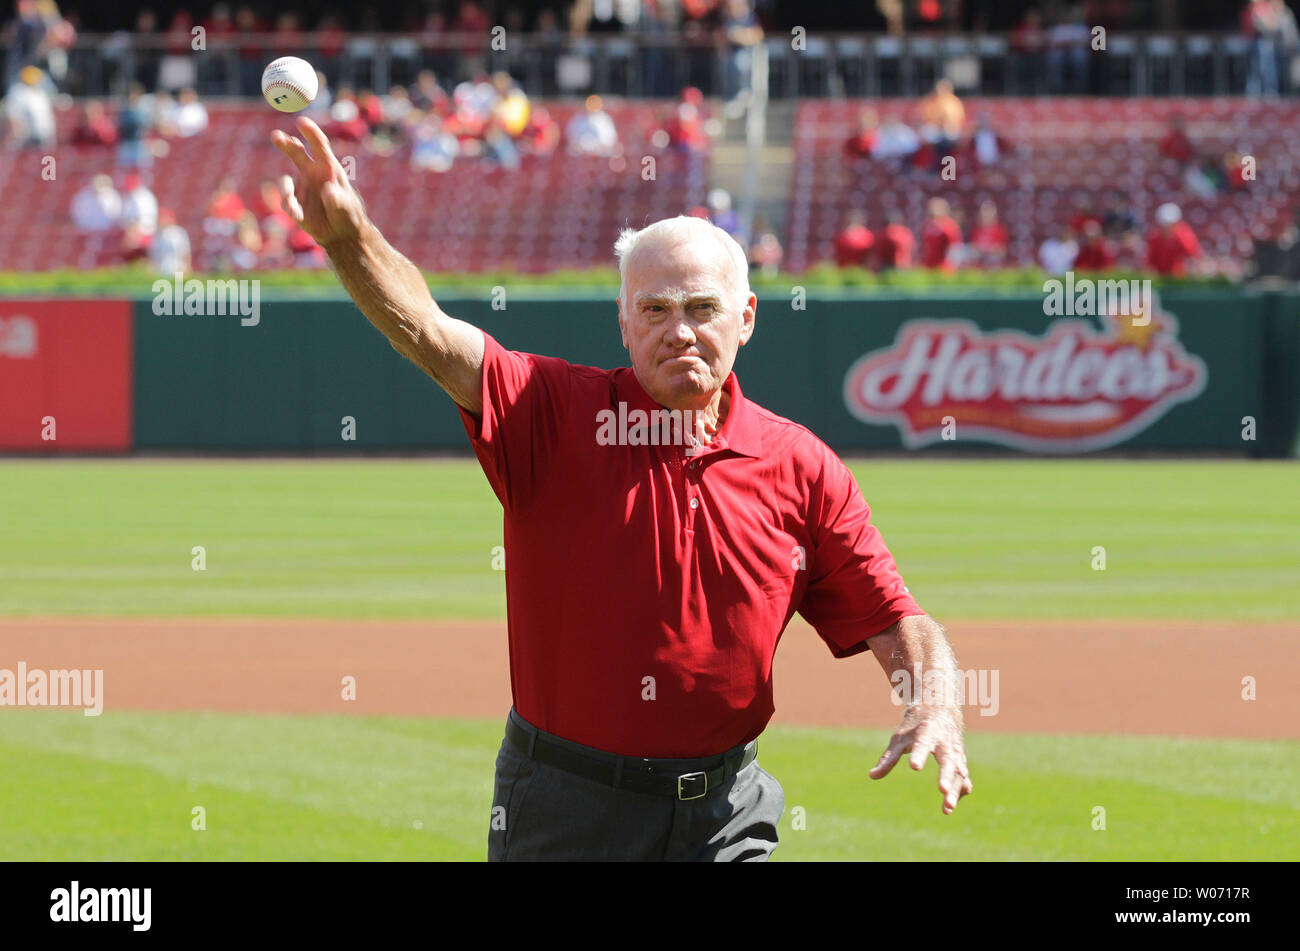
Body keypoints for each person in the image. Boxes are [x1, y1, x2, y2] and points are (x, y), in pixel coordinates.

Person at [271, 115, 973, 862]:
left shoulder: (799, 464)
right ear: (623, 322)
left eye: (702, 308)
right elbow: (429, 331)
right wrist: (349, 237)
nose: (680, 331)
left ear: (746, 318)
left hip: (726, 814)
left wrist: (932, 696)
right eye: (656, 309)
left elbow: (895, 616)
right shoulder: (550, 412)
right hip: (568, 808)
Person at [1146, 203, 1201, 276]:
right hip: (1160, 276)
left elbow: (1193, 255)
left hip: (1179, 277)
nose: (1167, 228)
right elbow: (1151, 260)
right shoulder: (1155, 237)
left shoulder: (1184, 236)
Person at [919, 198, 962, 271]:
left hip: (944, 266)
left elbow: (954, 248)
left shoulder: (950, 225)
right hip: (929, 265)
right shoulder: (928, 224)